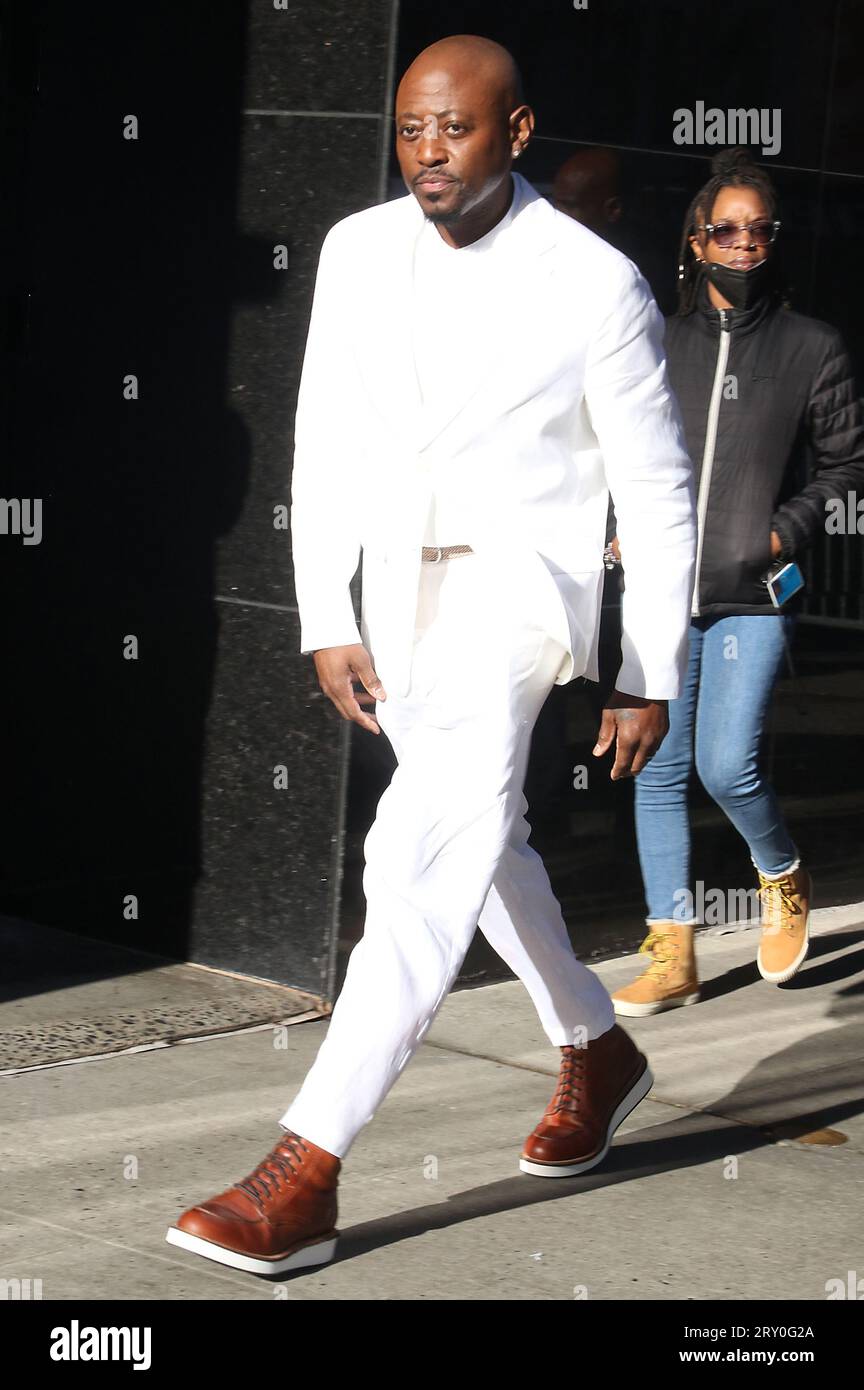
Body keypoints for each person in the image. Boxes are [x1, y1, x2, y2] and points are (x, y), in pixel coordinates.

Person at [166, 34, 696, 1276]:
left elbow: (659, 493)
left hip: (520, 597)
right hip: (395, 603)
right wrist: (322, 612)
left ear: (515, 134)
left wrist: (649, 667)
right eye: (410, 129)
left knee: (412, 854)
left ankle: (307, 1167)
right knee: (483, 840)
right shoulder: (359, 249)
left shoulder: (597, 281)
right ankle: (598, 1044)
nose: (427, 154)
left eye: (453, 130)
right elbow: (325, 434)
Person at [612, 147, 864, 1018]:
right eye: (727, 229)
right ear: (696, 240)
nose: (744, 244)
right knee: (656, 768)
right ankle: (671, 948)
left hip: (754, 590)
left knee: (727, 765)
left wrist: (780, 532)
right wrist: (612, 527)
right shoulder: (655, 340)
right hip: (659, 593)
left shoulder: (811, 347)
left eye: (760, 231)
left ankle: (783, 874)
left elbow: (845, 464)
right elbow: (610, 447)